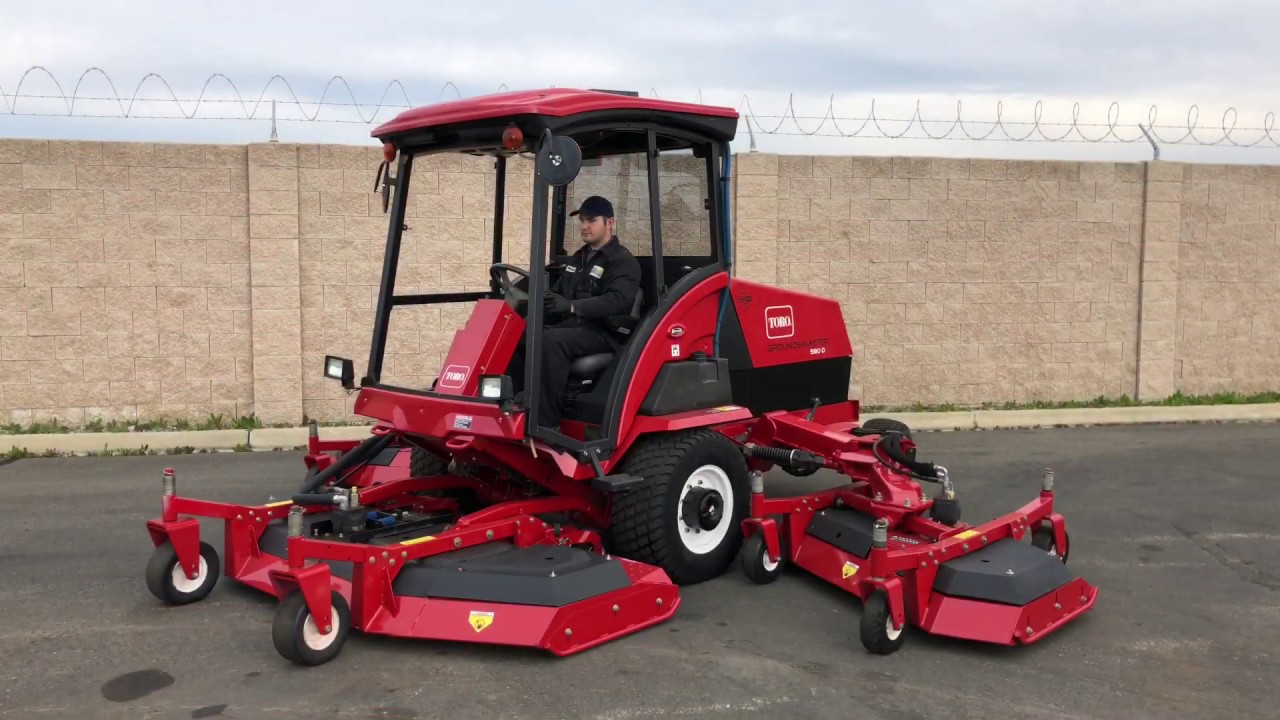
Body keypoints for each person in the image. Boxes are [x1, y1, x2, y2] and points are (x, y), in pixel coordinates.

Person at [507, 195, 641, 431]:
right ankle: (516, 399)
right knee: (518, 333)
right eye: (582, 221)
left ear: (610, 223)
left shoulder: (622, 261)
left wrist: (572, 307)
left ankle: (545, 423)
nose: (584, 226)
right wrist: (531, 318)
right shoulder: (578, 259)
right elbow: (557, 296)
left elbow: (618, 301)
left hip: (603, 331)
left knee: (550, 341)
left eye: (591, 220)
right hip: (573, 327)